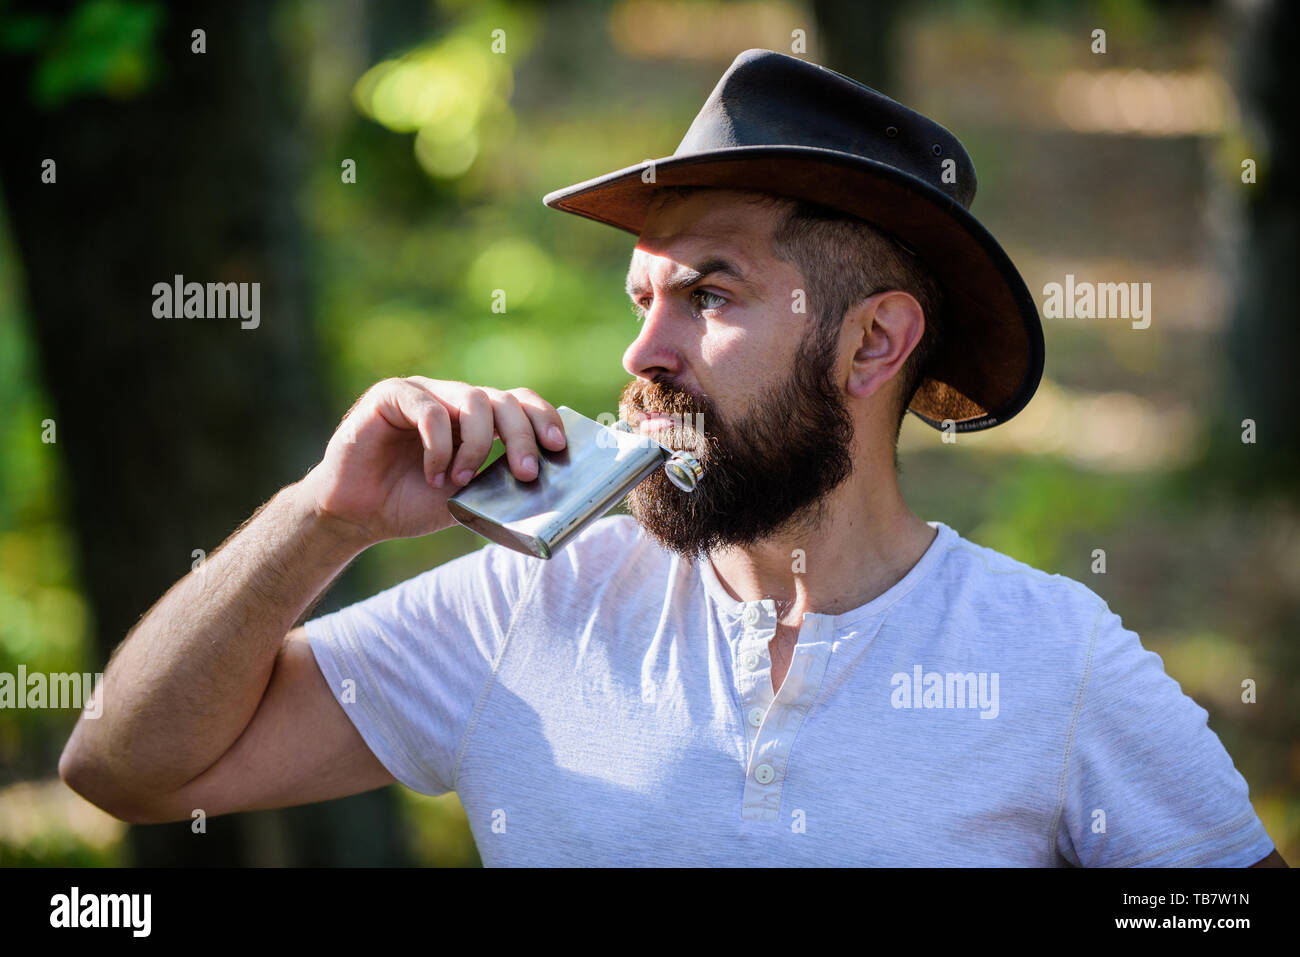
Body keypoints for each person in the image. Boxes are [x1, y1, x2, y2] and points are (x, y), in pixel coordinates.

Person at [60, 50, 1284, 867]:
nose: (643, 349)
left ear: (872, 344)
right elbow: (127, 765)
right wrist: (322, 517)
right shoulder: (526, 602)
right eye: (642, 296)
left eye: (708, 292)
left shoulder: (1049, 660)